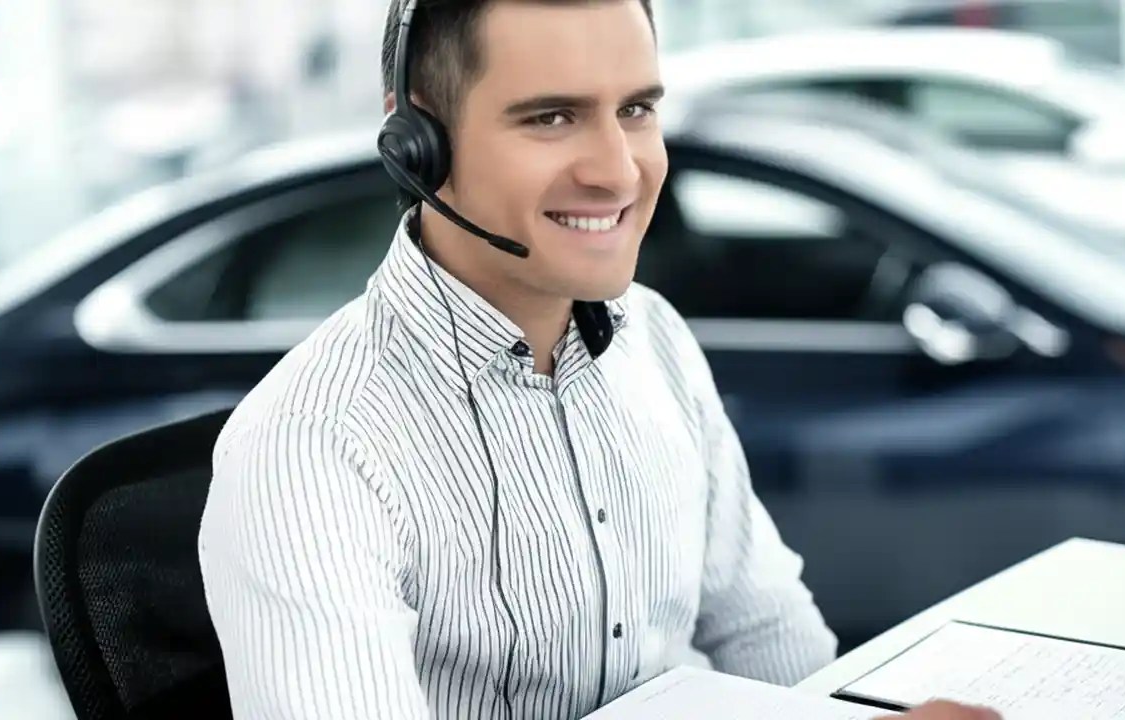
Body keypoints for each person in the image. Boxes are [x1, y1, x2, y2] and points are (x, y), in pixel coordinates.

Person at [196, 0, 1002, 718]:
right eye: (552, 117)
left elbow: (766, 634)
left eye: (637, 109)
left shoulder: (655, 338)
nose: (619, 170)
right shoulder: (312, 449)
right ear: (418, 145)